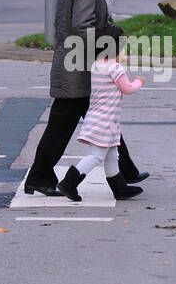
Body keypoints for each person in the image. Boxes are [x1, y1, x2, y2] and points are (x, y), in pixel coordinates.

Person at [23, 0, 147, 196]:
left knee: (105, 120)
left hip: (78, 67)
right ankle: (40, 178)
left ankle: (125, 174)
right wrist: (110, 47)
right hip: (77, 70)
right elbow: (82, 29)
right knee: (61, 128)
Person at [57, 29, 145, 202]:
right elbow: (127, 89)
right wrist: (138, 82)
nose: (125, 52)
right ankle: (68, 183)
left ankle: (120, 189)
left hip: (98, 118)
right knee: (96, 156)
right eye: (123, 48)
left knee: (113, 155)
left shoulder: (97, 64)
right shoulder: (115, 68)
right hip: (105, 121)